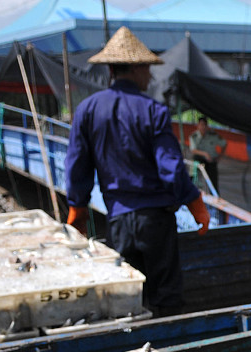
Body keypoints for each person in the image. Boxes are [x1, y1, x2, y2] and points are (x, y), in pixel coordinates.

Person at [64, 27, 209, 318]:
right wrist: (196, 204)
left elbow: (77, 166)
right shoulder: (152, 110)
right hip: (156, 222)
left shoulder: (88, 110)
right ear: (134, 68)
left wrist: (77, 212)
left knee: (130, 298)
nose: (150, 76)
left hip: (117, 221)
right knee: (166, 297)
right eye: (147, 68)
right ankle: (172, 347)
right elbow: (170, 168)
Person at [188, 116, 226, 193]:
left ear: (207, 126)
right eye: (201, 125)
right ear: (198, 125)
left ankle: (215, 197)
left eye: (204, 125)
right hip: (199, 159)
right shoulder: (194, 136)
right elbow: (193, 150)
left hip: (211, 161)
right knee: (192, 170)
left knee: (213, 183)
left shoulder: (213, 135)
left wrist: (220, 156)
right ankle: (189, 190)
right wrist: (205, 154)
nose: (203, 127)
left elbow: (224, 143)